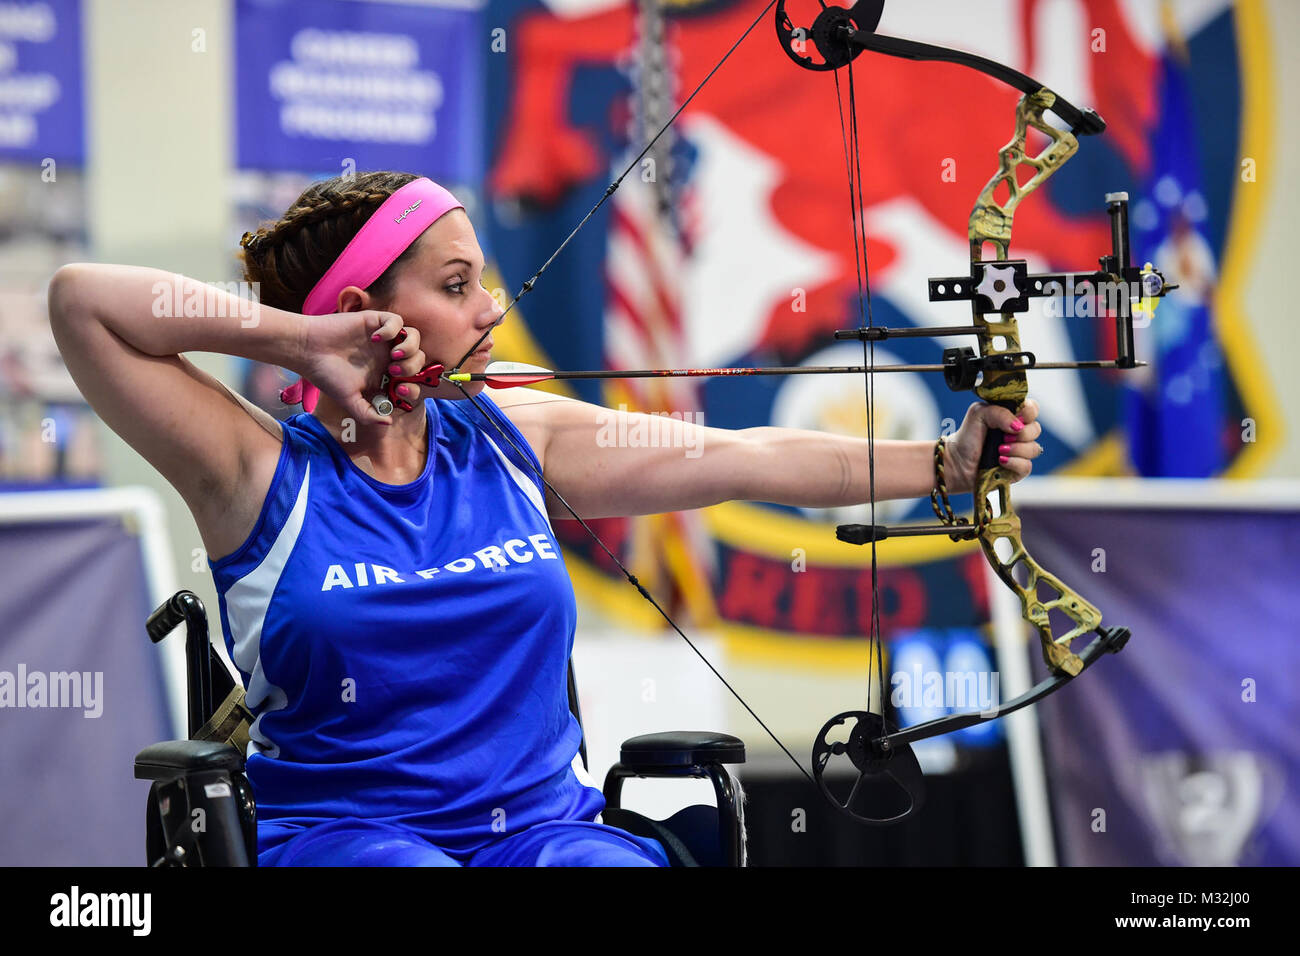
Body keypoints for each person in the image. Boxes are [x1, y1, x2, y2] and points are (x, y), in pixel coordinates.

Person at [48, 170, 1042, 866]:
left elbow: (748, 455)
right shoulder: (253, 468)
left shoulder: (515, 435)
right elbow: (82, 300)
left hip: (540, 831)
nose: (490, 306)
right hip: (344, 838)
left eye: (480, 276)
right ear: (365, 309)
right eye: (453, 285)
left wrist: (942, 463)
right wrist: (301, 339)